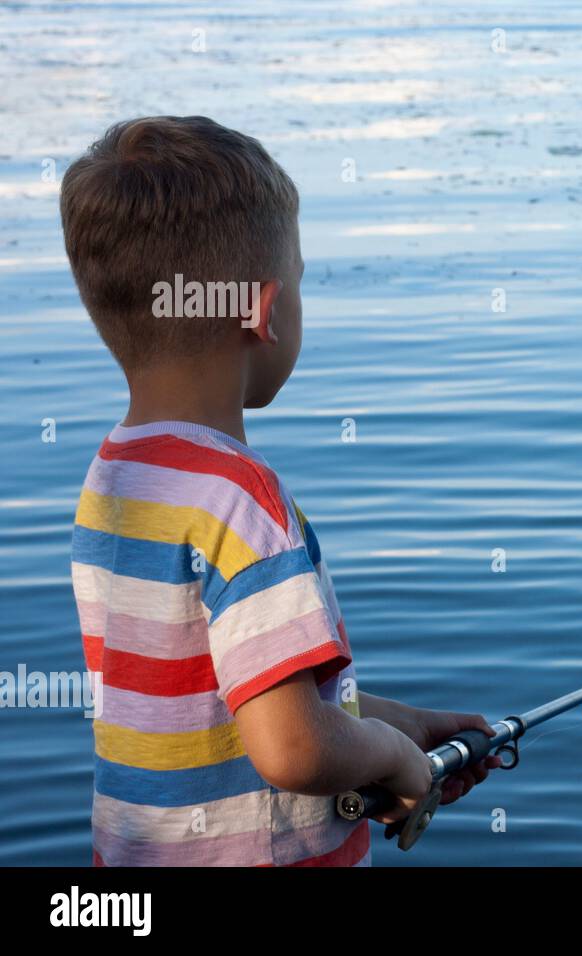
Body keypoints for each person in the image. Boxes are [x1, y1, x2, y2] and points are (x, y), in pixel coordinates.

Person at [61, 115, 500, 866]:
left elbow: (230, 708)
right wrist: (397, 764)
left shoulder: (115, 480)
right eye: (298, 281)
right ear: (262, 311)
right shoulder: (242, 498)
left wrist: (406, 724)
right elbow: (292, 747)